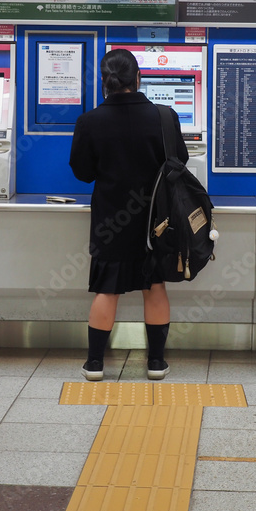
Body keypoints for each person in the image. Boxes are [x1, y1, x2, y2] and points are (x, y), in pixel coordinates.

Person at [69, 48, 187, 382]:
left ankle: (94, 364)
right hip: (156, 219)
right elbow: (180, 161)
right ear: (138, 78)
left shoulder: (89, 121)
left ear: (104, 82)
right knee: (155, 286)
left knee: (108, 289)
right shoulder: (165, 116)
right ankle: (156, 363)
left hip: (112, 219)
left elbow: (82, 172)